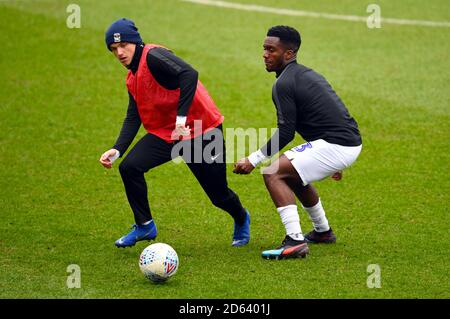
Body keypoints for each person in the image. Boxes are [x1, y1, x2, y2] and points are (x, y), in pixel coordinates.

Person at [99, 18, 250, 248]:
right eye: (113, 49)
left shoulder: (153, 56)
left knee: (218, 195)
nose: (119, 53)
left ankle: (241, 217)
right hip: (167, 134)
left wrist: (181, 119)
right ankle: (145, 225)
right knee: (130, 167)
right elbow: (134, 114)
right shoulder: (132, 77)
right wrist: (118, 148)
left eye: (124, 45)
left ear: (136, 43)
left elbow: (189, 73)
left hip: (201, 129)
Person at [234, 25, 362, 259]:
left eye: (271, 50)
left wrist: (253, 160)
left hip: (337, 144)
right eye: (264, 49)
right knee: (292, 172)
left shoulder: (283, 84)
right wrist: (338, 158)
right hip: (345, 142)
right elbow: (330, 115)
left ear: (289, 54)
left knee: (272, 171)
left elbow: (286, 132)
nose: (265, 54)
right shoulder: (307, 74)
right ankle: (323, 231)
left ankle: (295, 240)